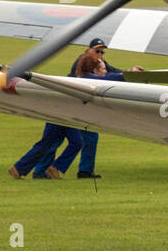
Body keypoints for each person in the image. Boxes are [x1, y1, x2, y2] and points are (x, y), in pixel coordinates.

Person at [32, 38, 142, 179]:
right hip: (69, 106)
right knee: (59, 139)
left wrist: (128, 73)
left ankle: (74, 170)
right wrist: (124, 76)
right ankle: (43, 170)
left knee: (79, 138)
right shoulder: (83, 62)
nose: (100, 55)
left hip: (78, 107)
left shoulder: (96, 61)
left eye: (102, 52)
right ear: (89, 50)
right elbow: (100, 79)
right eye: (97, 51)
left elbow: (111, 72)